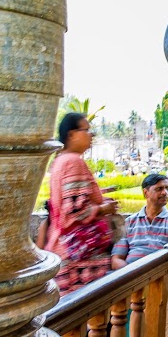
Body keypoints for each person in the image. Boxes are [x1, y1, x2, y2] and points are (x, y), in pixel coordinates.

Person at [46, 112, 116, 293]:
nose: (90, 135)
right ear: (71, 134)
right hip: (77, 256)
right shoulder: (72, 161)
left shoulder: (60, 160)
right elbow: (76, 209)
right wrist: (104, 208)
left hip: (64, 249)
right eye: (86, 130)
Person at [111, 172, 168, 268]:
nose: (165, 193)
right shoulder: (130, 222)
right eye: (159, 189)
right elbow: (116, 259)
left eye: (167, 188)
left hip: (160, 275)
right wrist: (131, 276)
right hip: (129, 275)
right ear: (145, 193)